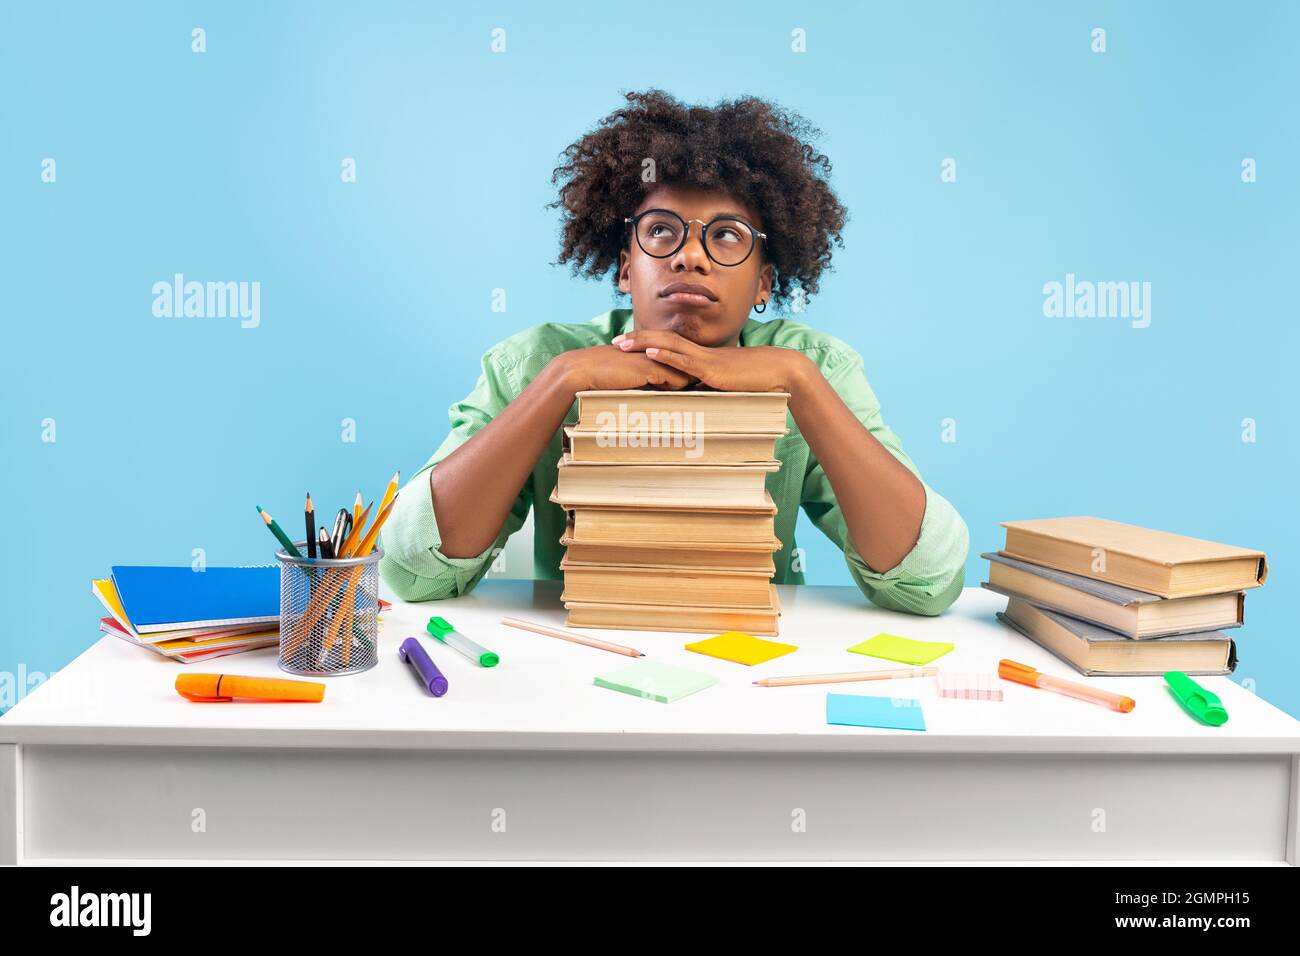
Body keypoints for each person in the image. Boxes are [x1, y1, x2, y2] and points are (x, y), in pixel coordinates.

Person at [379, 90, 969, 615]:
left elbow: (927, 580)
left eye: (727, 236)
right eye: (661, 230)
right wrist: (560, 382)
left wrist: (801, 383)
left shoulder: (816, 367)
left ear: (765, 283)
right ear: (623, 266)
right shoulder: (535, 362)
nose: (690, 256)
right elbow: (413, 571)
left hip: (754, 662)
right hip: (578, 660)